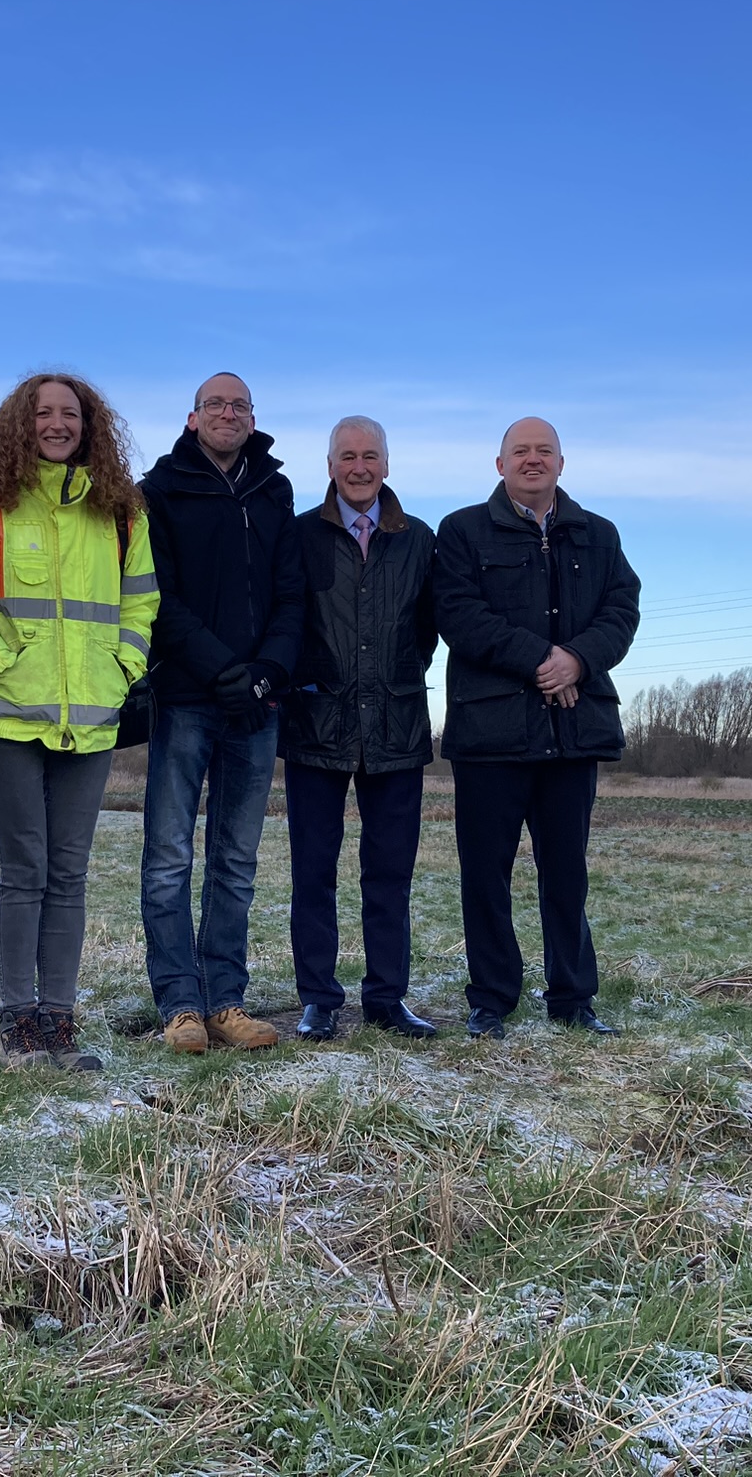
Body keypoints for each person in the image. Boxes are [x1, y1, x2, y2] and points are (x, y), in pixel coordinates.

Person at [0, 373, 158, 1072]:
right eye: (44, 413)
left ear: (90, 427)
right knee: (25, 870)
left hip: (91, 720)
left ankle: (58, 1026)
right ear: (19, 423)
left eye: (71, 413)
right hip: (5, 721)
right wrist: (5, 666)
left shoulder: (122, 512)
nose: (58, 424)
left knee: (69, 875)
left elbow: (141, 603)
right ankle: (17, 1028)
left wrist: (123, 667)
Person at [432, 417, 640, 1041]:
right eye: (519, 451)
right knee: (485, 874)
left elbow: (622, 609)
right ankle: (492, 998)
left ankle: (573, 999)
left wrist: (578, 659)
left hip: (573, 733)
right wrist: (543, 663)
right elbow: (458, 615)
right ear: (499, 465)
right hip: (491, 737)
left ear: (561, 463)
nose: (532, 460)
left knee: (566, 871)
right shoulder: (462, 531)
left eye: (543, 451)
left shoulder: (598, 535)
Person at [137, 373, 304, 1054]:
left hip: (257, 705)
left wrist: (266, 671)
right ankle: (180, 1004)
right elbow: (159, 596)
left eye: (239, 405)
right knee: (170, 858)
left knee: (235, 861)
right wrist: (221, 668)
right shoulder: (160, 490)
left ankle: (226, 1001)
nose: (227, 413)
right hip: (185, 697)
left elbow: (293, 594)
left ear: (252, 417)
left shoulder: (274, 490)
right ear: (192, 416)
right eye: (216, 404)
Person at [280, 416, 440, 1041]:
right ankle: (319, 998)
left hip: (397, 729)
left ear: (387, 465)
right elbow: (288, 620)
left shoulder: (418, 540)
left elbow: (426, 632)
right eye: (347, 456)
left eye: (370, 455)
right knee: (313, 873)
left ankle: (386, 998)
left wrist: (393, 680)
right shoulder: (299, 538)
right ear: (329, 466)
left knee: (389, 873)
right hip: (316, 726)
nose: (359, 466)